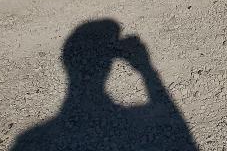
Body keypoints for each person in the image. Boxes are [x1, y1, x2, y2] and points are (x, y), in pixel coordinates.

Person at [11, 19, 197, 151]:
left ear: (67, 61)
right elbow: (179, 127)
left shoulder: (31, 139)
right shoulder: (142, 119)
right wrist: (146, 69)